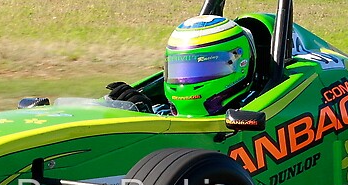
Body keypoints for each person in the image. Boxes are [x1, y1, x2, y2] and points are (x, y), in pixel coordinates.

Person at [105, 15, 256, 116]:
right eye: (180, 69)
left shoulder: (254, 112)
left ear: (239, 63)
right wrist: (139, 113)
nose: (185, 80)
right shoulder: (161, 111)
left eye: (202, 69)